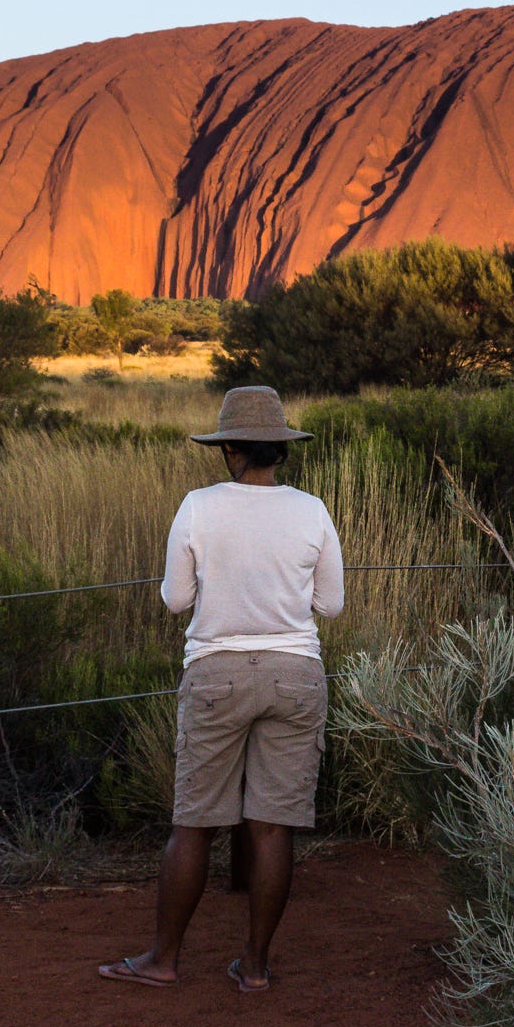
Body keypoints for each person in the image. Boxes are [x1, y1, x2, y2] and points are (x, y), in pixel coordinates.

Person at [101, 386, 343, 993]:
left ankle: (163, 960)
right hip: (295, 675)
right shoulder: (312, 510)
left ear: (230, 447)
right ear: (280, 448)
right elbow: (331, 604)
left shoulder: (198, 507)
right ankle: (255, 967)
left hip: (217, 674)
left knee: (194, 825)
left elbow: (176, 600)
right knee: (273, 827)